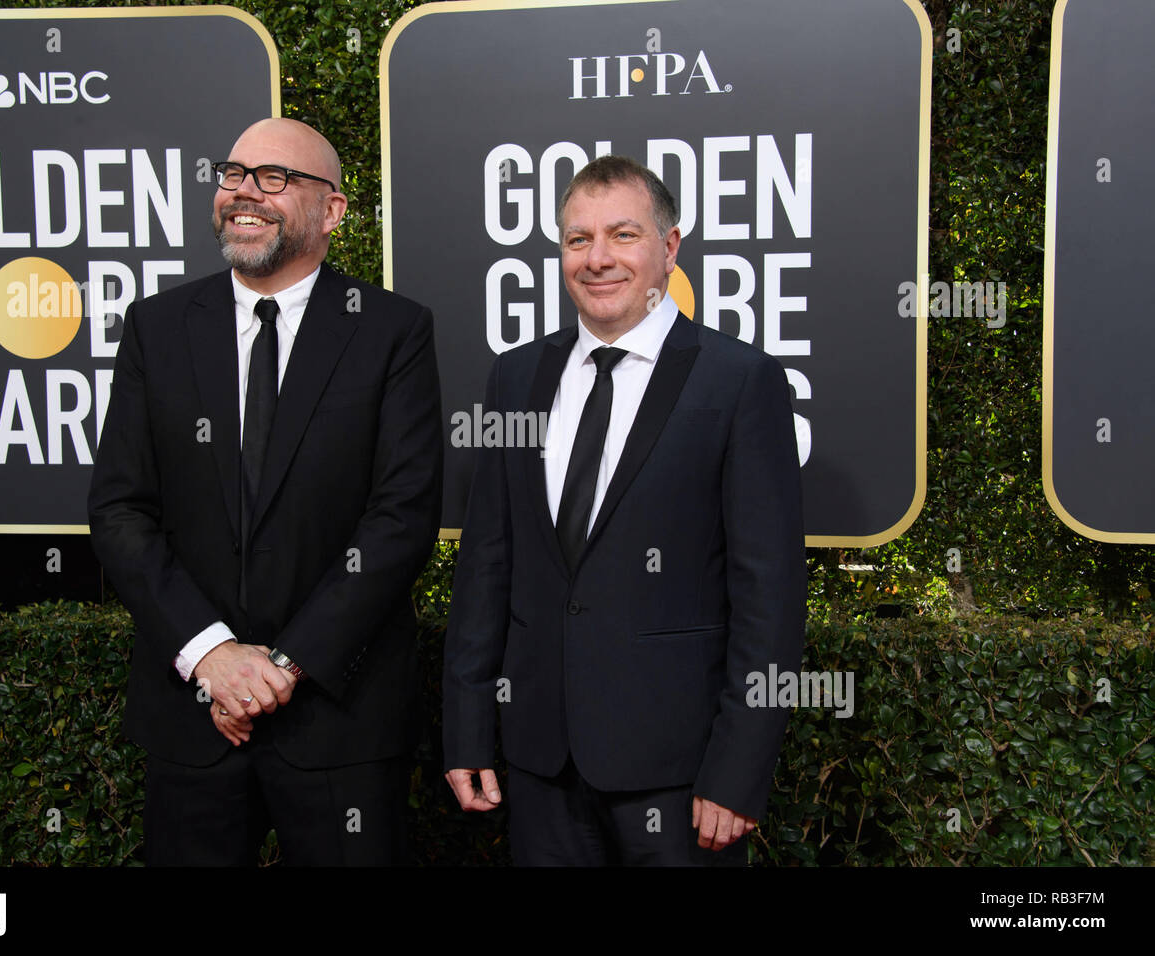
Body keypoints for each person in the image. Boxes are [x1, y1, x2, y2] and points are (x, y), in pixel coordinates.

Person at [88, 118, 442, 865]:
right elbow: (122, 509)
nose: (245, 191)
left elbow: (401, 517)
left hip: (342, 723)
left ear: (333, 210)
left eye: (275, 178)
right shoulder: (158, 328)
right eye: (234, 174)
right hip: (193, 722)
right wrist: (213, 658)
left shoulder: (391, 332)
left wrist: (283, 667)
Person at [442, 155, 805, 865]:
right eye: (578, 240)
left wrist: (738, 771)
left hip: (681, 776)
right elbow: (487, 566)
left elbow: (770, 599)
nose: (598, 259)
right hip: (540, 762)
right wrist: (466, 729)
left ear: (668, 249)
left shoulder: (740, 381)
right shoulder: (516, 376)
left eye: (623, 235)